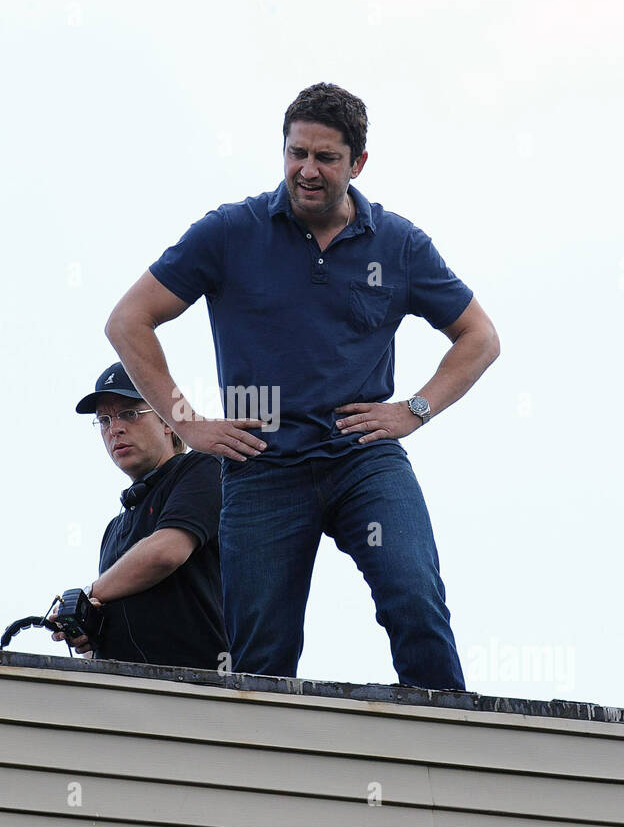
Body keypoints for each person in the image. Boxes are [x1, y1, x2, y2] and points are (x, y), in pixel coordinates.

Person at [105, 83, 499, 689]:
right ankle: (265, 773)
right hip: (262, 463)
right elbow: (128, 319)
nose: (307, 170)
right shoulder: (231, 232)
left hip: (361, 456)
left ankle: (448, 748)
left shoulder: (397, 243)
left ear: (358, 163)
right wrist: (187, 422)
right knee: (261, 650)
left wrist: (414, 410)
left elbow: (479, 336)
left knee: (414, 596)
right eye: (296, 153)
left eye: (326, 157)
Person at [58, 362, 228, 669]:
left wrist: (86, 594)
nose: (115, 428)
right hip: (127, 701)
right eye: (104, 420)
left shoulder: (202, 468)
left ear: (167, 420)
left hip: (202, 690)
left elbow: (166, 551)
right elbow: (100, 642)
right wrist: (86, 628)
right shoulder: (114, 530)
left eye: (129, 413)